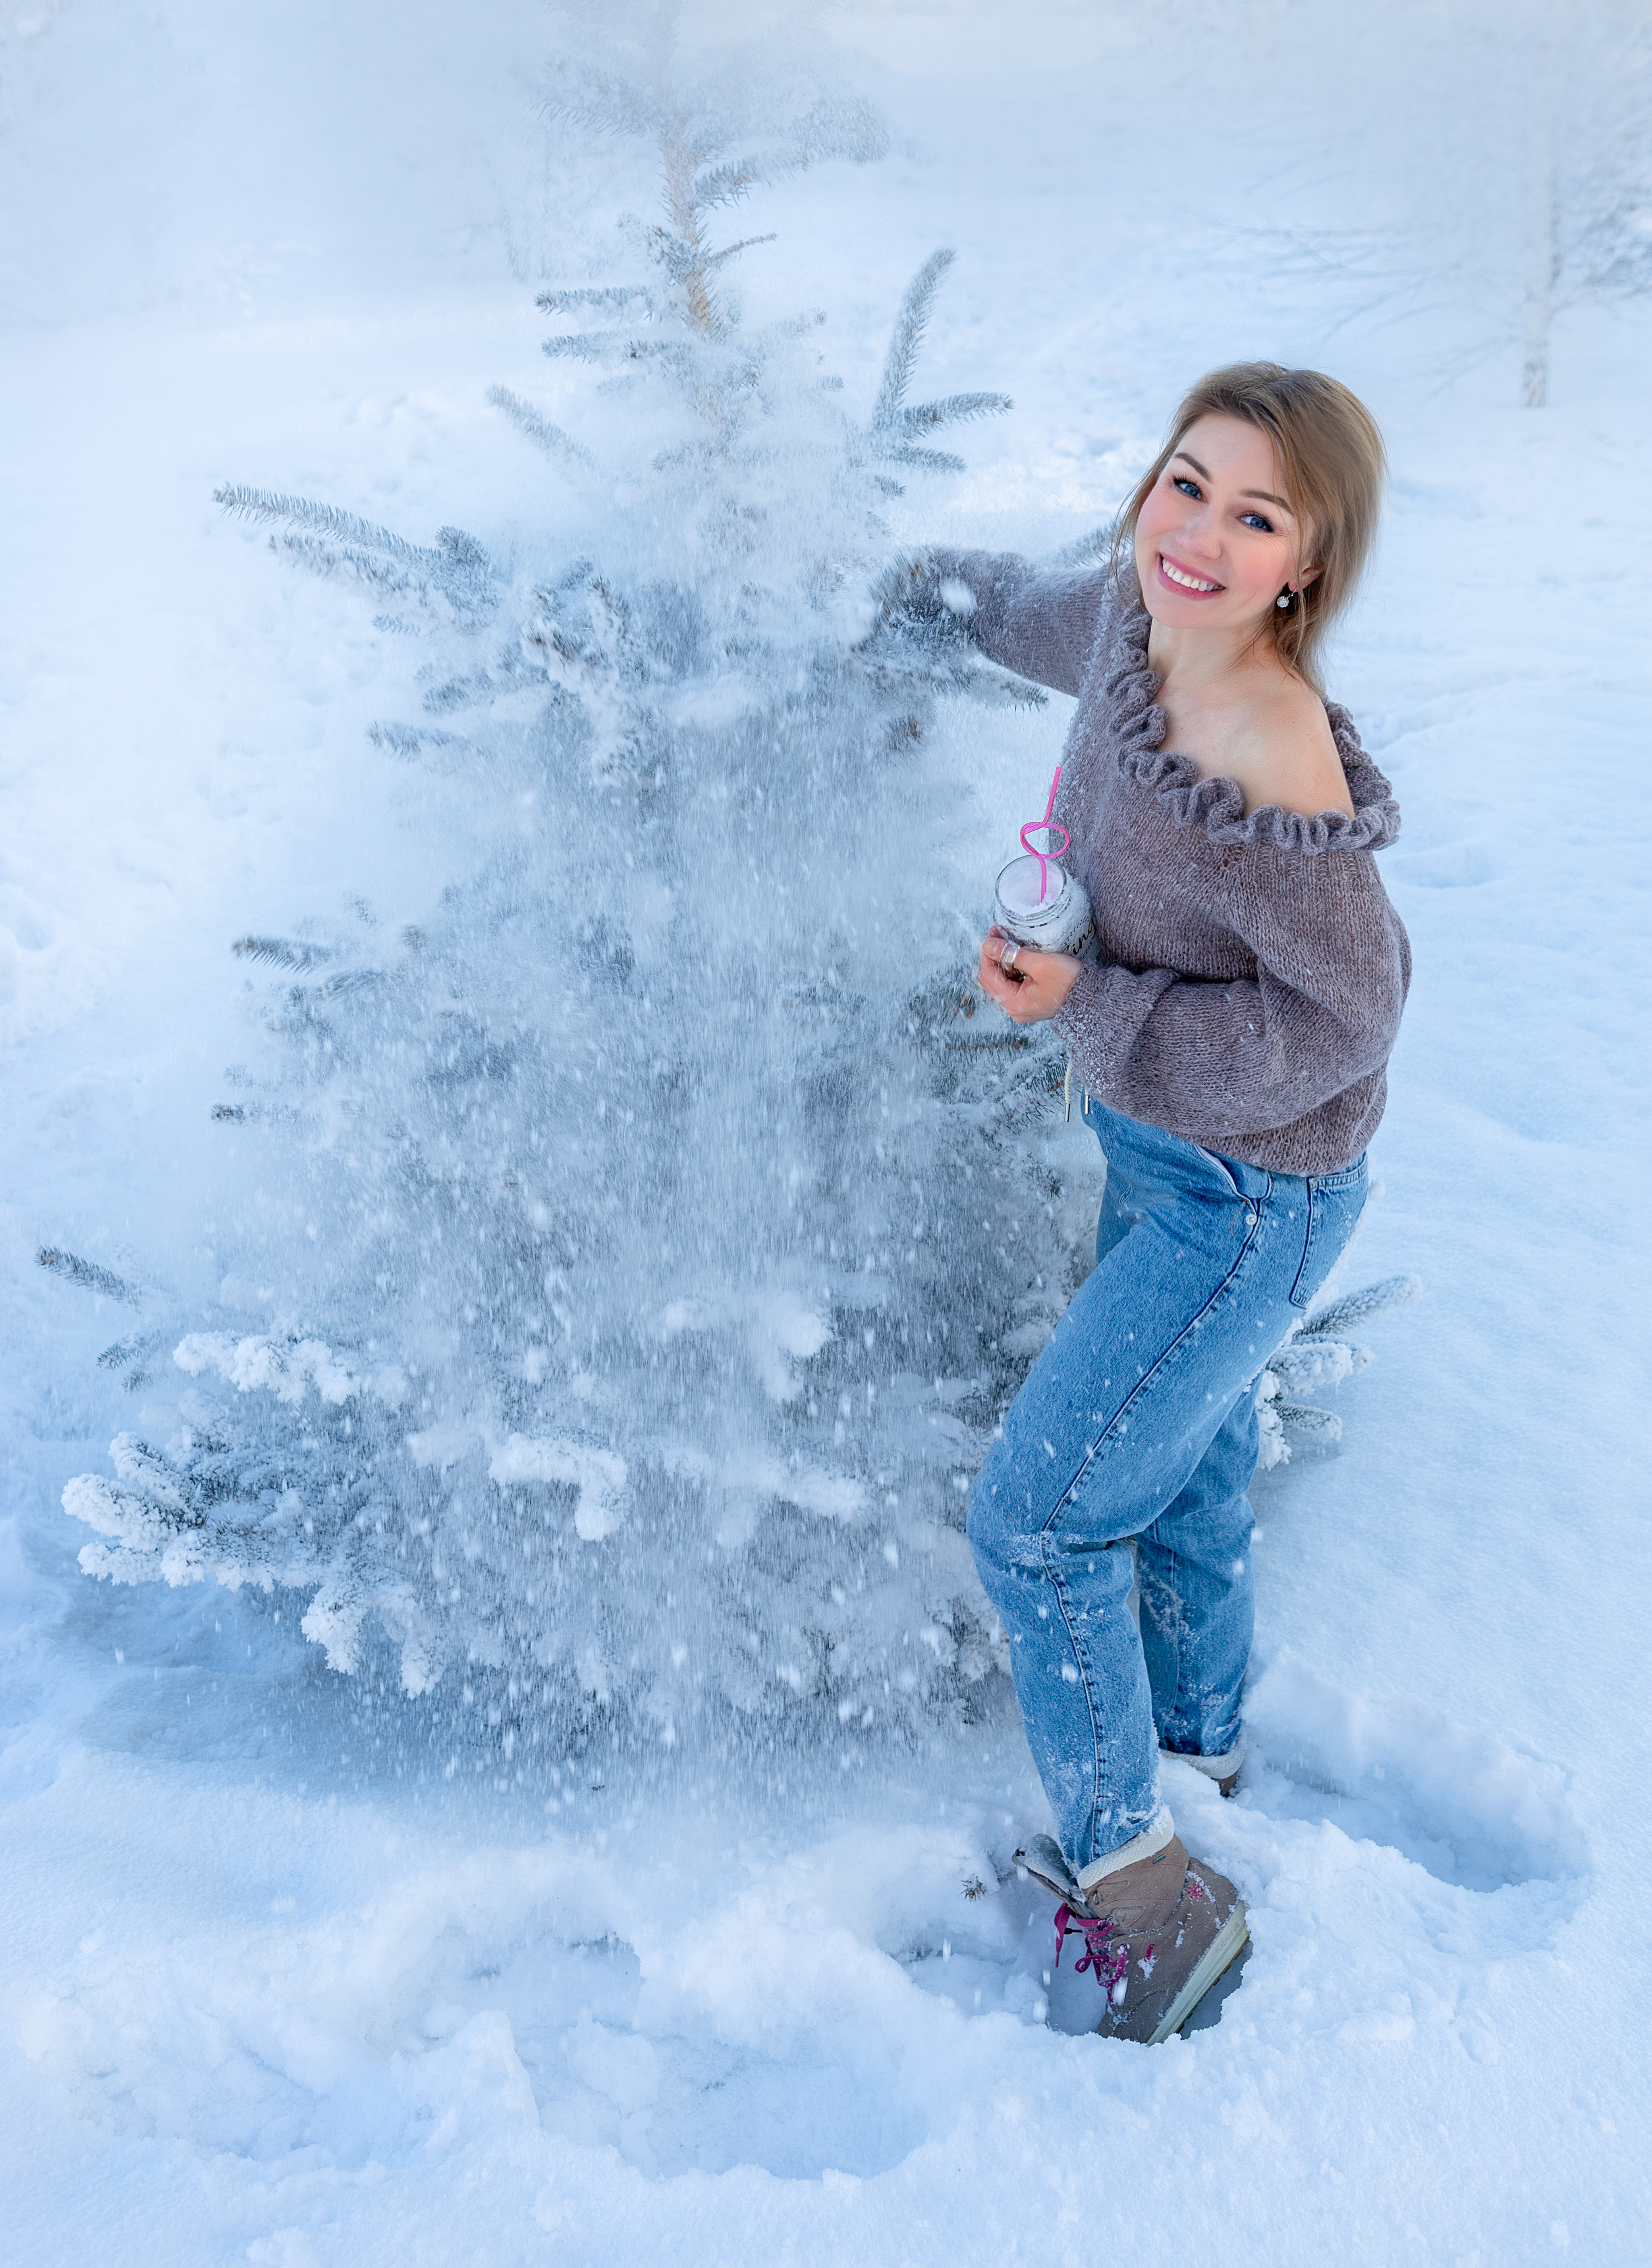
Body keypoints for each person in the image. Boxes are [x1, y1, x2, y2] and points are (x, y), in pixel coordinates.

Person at [928, 363, 1409, 2042]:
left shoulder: (1272, 753)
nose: (1196, 534)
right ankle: (1196, 1748)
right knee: (1188, 1462)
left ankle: (1146, 1912)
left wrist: (1080, 1006)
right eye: (1182, 484)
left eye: (1252, 514)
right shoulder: (1139, 630)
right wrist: (888, 588)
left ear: (1306, 563)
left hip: (1248, 1194)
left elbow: (1344, 1015)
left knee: (1042, 1518)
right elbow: (1034, 617)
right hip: (1163, 1157)